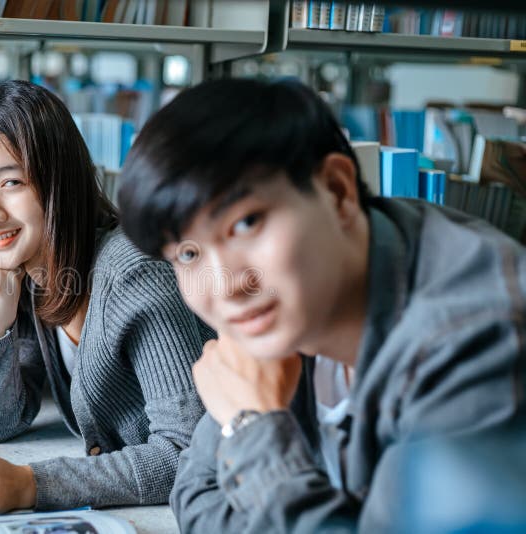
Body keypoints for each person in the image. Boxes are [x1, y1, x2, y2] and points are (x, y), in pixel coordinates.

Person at [116, 77, 526, 532]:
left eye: (246, 223)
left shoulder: (474, 336)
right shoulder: (291, 305)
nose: (226, 285)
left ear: (337, 191)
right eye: (188, 254)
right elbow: (195, 494)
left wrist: (254, 428)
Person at [0, 80, 212, 517]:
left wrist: (29, 484)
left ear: (59, 183)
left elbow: (188, 456)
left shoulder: (134, 273)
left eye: (11, 181)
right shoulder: (35, 272)